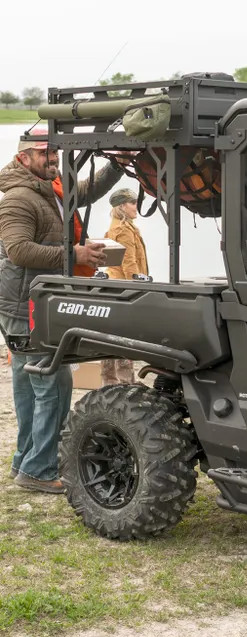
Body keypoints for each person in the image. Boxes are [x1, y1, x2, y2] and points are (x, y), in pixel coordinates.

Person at [0, 128, 122, 494]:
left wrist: (118, 163)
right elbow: (18, 251)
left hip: (30, 302)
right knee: (53, 382)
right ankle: (39, 469)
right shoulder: (19, 199)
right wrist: (76, 255)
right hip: (26, 306)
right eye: (44, 154)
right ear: (24, 158)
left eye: (55, 153)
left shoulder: (48, 188)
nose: (53, 159)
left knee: (28, 383)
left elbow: (86, 191)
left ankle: (26, 460)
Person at [100, 188, 148, 386]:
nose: (136, 206)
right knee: (121, 337)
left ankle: (112, 382)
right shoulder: (123, 229)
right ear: (122, 206)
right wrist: (136, 291)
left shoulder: (123, 227)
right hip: (123, 288)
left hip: (116, 287)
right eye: (133, 202)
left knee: (112, 336)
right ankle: (124, 382)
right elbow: (129, 264)